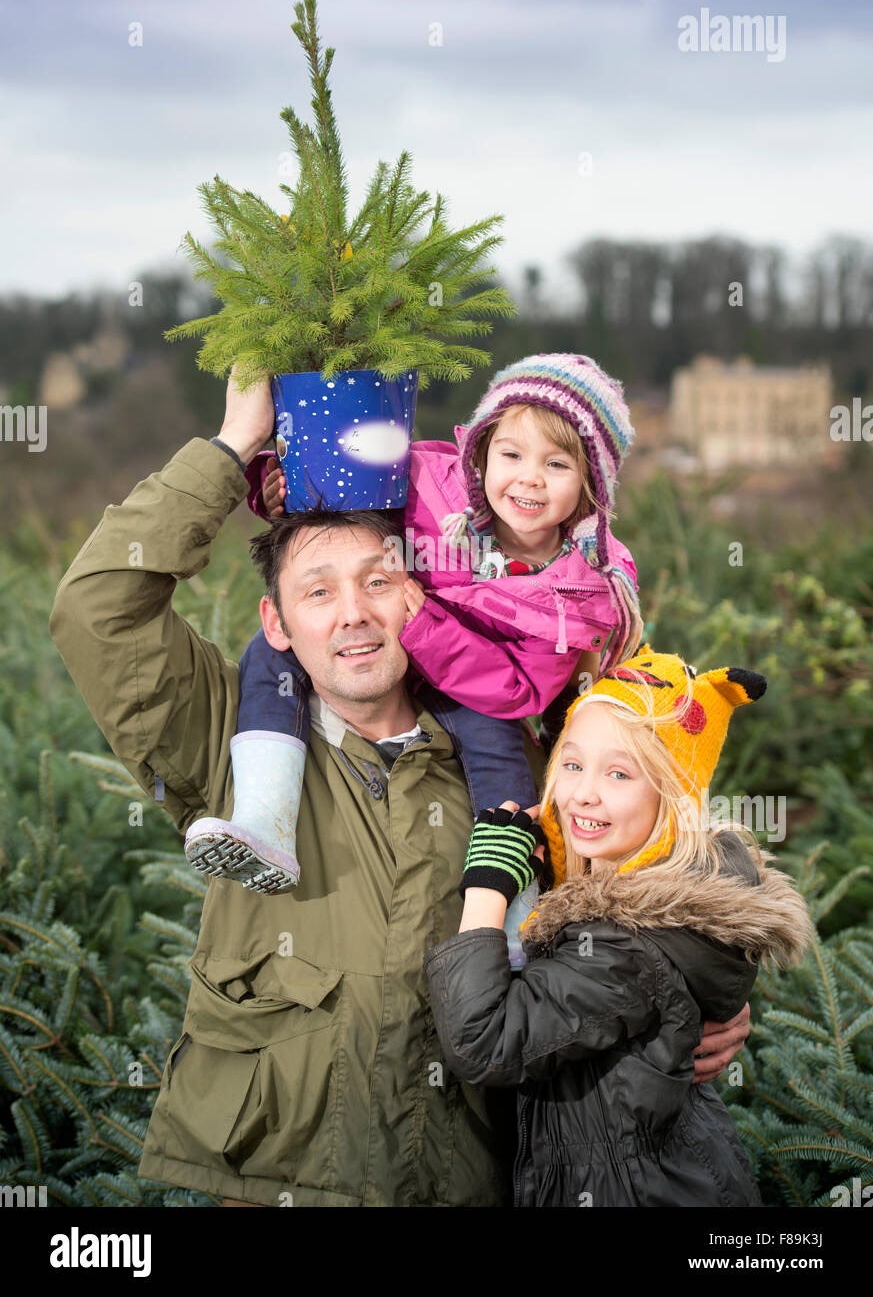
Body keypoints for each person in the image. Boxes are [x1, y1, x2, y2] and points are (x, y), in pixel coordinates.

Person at [49, 379, 751, 1206]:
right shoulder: (224, 738)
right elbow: (99, 608)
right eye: (318, 591)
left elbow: (664, 857)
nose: (354, 614)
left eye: (379, 581)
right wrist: (233, 445)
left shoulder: (519, 763)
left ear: (423, 593)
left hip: (466, 1179)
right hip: (279, 1182)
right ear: (277, 625)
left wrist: (707, 999)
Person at [186, 353, 644, 969]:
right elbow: (345, 492)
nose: (528, 480)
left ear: (591, 485)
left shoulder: (578, 589)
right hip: (382, 648)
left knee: (499, 756)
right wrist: (274, 481)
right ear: (481, 451)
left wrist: (426, 625)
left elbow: (517, 692)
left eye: (556, 464)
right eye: (511, 455)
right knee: (270, 659)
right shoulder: (435, 485)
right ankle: (266, 817)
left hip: (476, 688)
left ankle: (514, 908)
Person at [424, 646, 813, 1207]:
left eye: (620, 773)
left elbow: (484, 1042)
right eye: (574, 764)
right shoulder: (629, 910)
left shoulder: (625, 943)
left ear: (671, 796)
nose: (583, 792)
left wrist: (487, 885)